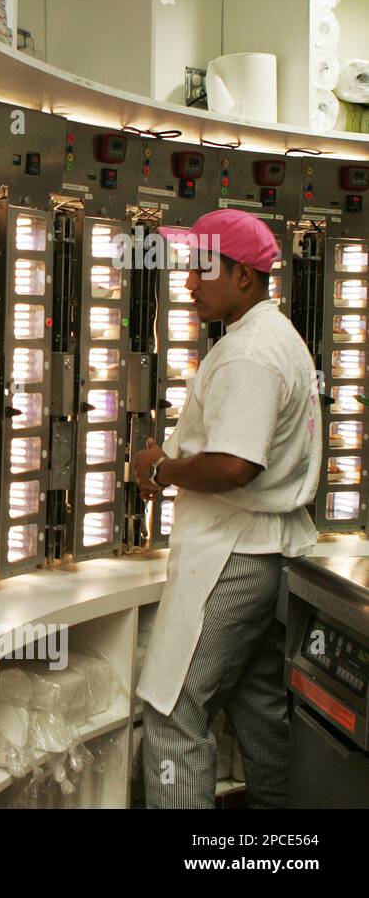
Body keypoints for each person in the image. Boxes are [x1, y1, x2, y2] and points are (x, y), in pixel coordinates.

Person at [133, 209, 321, 809]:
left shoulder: (248, 356)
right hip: (268, 554)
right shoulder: (274, 337)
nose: (189, 283)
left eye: (203, 269)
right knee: (259, 700)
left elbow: (236, 465)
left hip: (233, 559)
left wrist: (161, 469)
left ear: (244, 275)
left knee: (175, 714)